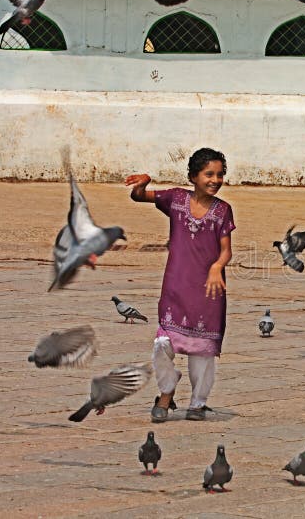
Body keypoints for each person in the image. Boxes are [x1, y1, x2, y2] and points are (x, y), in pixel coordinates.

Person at [125, 148, 235, 422]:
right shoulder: (175, 199)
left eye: (220, 174)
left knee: (203, 351)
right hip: (176, 288)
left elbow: (226, 251)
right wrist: (144, 182)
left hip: (209, 292)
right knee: (163, 343)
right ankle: (167, 391)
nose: (215, 179)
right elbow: (139, 197)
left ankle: (198, 403)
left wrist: (217, 267)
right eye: (209, 174)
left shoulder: (223, 211)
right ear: (193, 177)